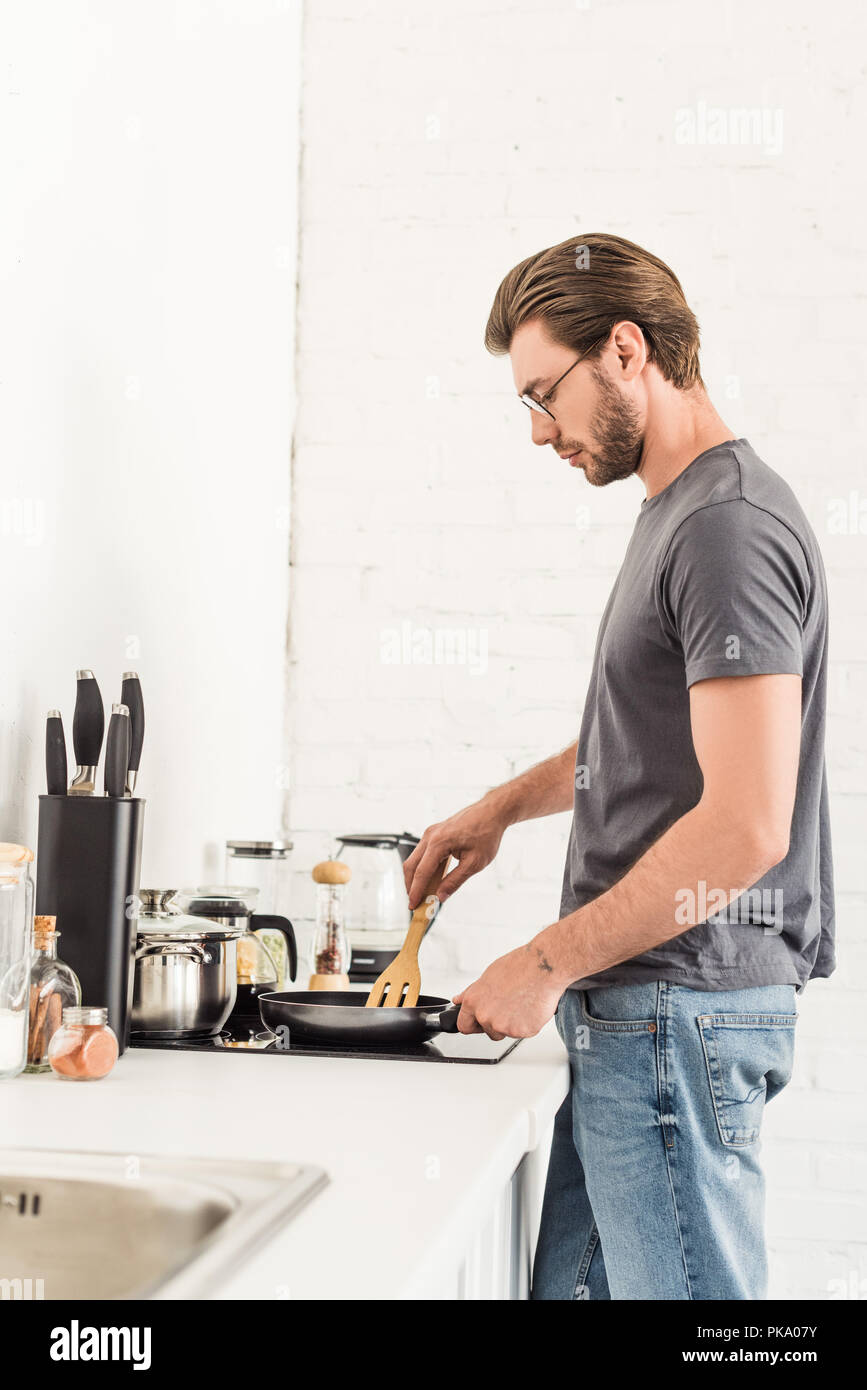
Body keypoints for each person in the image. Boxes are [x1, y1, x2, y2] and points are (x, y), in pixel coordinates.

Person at [402, 233, 834, 1301]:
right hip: (641, 1017)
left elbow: (746, 824)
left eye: (547, 394)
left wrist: (546, 960)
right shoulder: (679, 512)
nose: (541, 431)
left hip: (675, 1016)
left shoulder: (726, 527)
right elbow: (644, 748)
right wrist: (501, 808)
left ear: (628, 349)